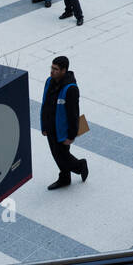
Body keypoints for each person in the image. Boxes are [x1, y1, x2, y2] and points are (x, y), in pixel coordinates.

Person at [41, 56, 87, 190]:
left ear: (64, 70)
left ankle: (80, 166)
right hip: (50, 127)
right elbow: (45, 105)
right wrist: (44, 125)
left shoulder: (71, 89)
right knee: (56, 155)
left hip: (62, 130)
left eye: (55, 69)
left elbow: (73, 114)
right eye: (51, 68)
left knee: (62, 156)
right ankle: (65, 178)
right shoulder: (49, 81)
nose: (51, 71)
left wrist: (71, 136)